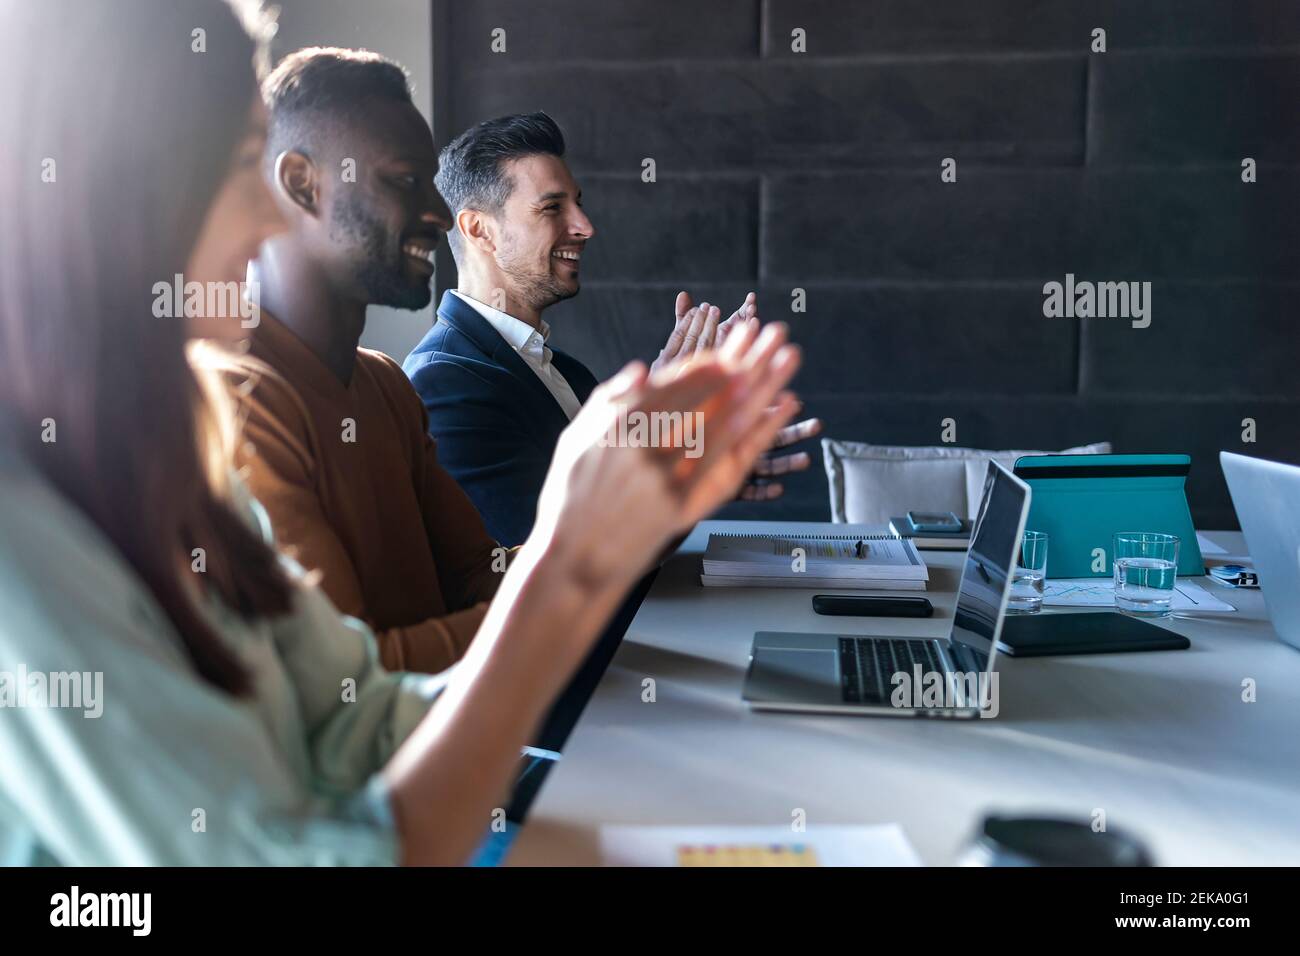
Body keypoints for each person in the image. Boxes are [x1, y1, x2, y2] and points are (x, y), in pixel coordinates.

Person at [0, 0, 802, 865]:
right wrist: (571, 563)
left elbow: (365, 722)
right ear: (123, 182)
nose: (273, 220)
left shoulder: (184, 454)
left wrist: (616, 533)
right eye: (241, 163)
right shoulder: (28, 529)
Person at [196, 48, 503, 674]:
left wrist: (629, 521)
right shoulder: (238, 402)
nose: (440, 215)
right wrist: (560, 597)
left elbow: (478, 574)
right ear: (303, 184)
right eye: (403, 180)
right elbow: (354, 676)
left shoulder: (385, 385)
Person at [404, 112, 822, 546]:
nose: (585, 226)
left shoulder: (568, 373)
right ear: (479, 230)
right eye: (552, 207)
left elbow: (629, 526)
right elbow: (556, 566)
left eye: (578, 203)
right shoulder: (442, 384)